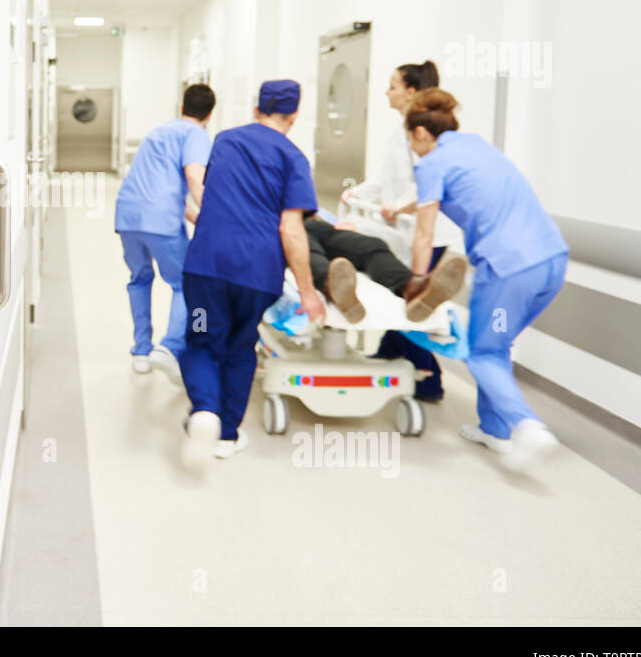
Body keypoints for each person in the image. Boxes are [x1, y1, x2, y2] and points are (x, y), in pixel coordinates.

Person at [405, 89, 569, 473]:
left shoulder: (431, 162)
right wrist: (398, 205)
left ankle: (526, 426)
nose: (412, 148)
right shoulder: (474, 146)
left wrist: (417, 278)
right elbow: (450, 191)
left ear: (422, 134)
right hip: (551, 263)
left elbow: (424, 236)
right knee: (497, 344)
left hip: (508, 269)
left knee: (482, 352)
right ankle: (494, 430)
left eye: (410, 138)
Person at [178, 80, 325, 469]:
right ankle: (226, 434)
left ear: (258, 107)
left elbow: (210, 193)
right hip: (257, 274)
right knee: (241, 346)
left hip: (206, 266)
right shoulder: (294, 158)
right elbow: (290, 231)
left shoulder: (225, 140)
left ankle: (204, 411)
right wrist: (308, 292)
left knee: (201, 339)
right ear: (294, 115)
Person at [342, 60, 457, 400]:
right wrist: (358, 193)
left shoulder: (420, 133)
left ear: (410, 91)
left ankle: (428, 379)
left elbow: (425, 184)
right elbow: (387, 179)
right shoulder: (402, 130)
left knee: (410, 302)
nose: (386, 92)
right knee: (400, 297)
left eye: (392, 85)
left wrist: (396, 207)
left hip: (427, 233)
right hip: (408, 229)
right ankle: (388, 352)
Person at [114, 84, 216, 383]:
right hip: (161, 222)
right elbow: (194, 178)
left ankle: (141, 352)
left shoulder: (158, 132)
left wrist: (197, 217)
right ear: (209, 114)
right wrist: (215, 219)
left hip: (129, 216)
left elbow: (161, 188)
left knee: (139, 279)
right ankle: (170, 349)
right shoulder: (196, 134)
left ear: (180, 107)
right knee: (187, 282)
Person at [303, 214, 465, 323]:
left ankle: (412, 287)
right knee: (304, 246)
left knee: (372, 245)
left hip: (317, 225)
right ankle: (332, 287)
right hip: (286, 228)